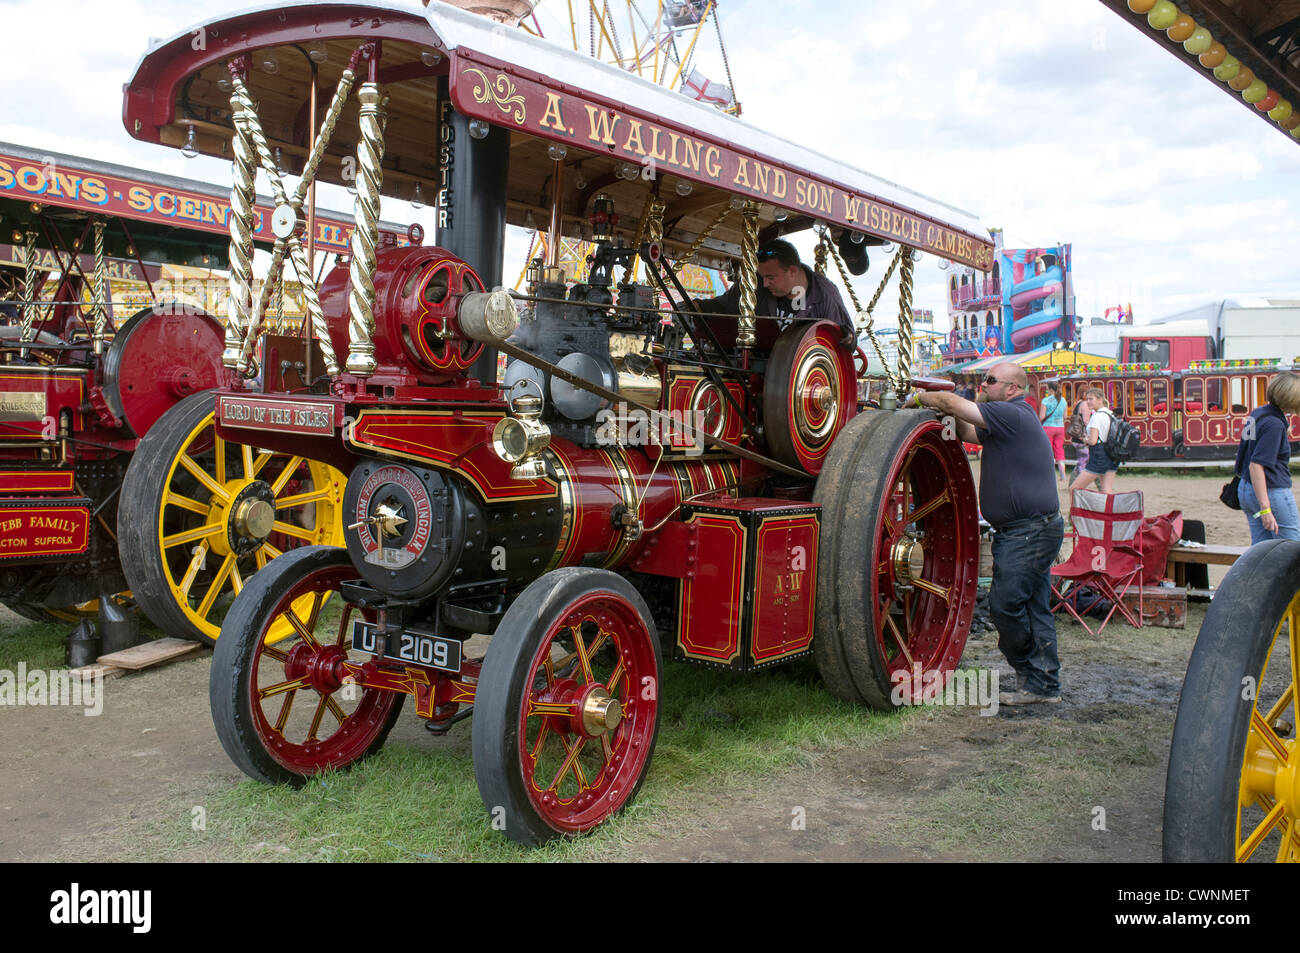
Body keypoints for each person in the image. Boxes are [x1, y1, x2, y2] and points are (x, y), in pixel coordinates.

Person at [912, 361, 1065, 706]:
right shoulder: (1006, 420)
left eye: (991, 380)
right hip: (1031, 529)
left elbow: (952, 405)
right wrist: (940, 417)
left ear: (1012, 389)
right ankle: (1043, 685)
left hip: (1028, 531)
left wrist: (921, 399)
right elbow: (967, 432)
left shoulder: (1013, 414)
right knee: (1034, 607)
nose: (983, 384)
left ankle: (1031, 673)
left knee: (1005, 606)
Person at [696, 239, 855, 348]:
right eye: (762, 276)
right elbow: (723, 306)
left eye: (771, 277)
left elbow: (847, 340)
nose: (764, 283)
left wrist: (846, 337)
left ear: (792, 271)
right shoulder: (755, 282)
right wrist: (696, 306)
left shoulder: (825, 295)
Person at [1235, 372, 1300, 544]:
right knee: (1290, 551)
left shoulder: (1258, 413)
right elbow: (1256, 465)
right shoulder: (1275, 424)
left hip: (1246, 489)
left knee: (1261, 553)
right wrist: (1266, 509)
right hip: (1271, 491)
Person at [1068, 388, 1118, 494]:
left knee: (1074, 489)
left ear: (1100, 400)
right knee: (1106, 491)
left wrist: (1084, 439)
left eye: (1091, 399)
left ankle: (1076, 511)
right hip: (1112, 455)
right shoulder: (1110, 414)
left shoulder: (1096, 416)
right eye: (1087, 399)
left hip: (1098, 456)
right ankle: (1108, 511)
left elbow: (1093, 441)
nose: (1088, 401)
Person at [1039, 381, 1067, 483]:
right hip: (1060, 427)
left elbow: (1042, 417)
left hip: (1048, 428)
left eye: (1047, 388)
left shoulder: (1045, 400)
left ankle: (1050, 475)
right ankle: (1063, 476)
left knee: (1048, 451)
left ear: (1051, 389)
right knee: (1059, 450)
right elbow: (1065, 417)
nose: (1046, 390)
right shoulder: (1063, 400)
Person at [1068, 390, 1092, 482]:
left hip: (1076, 435)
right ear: (1084, 393)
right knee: (1084, 461)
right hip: (1082, 436)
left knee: (1084, 460)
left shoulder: (1077, 403)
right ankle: (1075, 483)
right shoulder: (1085, 404)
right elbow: (1086, 421)